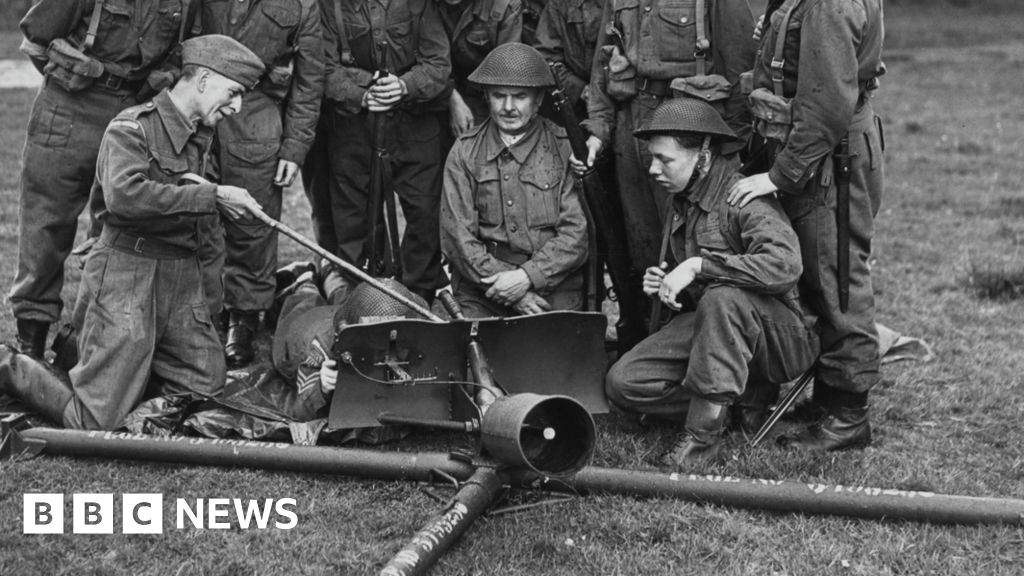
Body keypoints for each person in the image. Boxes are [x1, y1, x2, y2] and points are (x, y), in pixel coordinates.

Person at [0, 36, 266, 431]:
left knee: (206, 386)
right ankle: (10, 365)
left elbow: (200, 226)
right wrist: (212, 195)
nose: (238, 106)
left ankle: (128, 369)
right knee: (95, 419)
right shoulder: (130, 128)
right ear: (205, 80)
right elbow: (126, 197)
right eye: (234, 92)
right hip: (129, 274)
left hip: (178, 278)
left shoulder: (201, 133)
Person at [604, 98, 817, 465]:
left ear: (703, 156)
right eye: (652, 158)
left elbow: (784, 266)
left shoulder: (742, 197)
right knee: (624, 383)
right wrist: (669, 281)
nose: (654, 169)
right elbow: (698, 283)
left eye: (665, 160)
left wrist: (699, 267)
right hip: (718, 327)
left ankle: (702, 440)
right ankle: (738, 402)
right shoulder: (681, 198)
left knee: (724, 297)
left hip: (780, 339)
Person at [726, 0, 885, 451]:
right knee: (820, 276)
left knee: (837, 281)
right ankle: (830, 398)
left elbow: (829, 105)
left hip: (832, 161)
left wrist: (779, 176)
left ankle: (849, 415)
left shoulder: (829, 5)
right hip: (824, 154)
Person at [9, 0, 199, 359]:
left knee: (114, 231)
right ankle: (30, 342)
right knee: (45, 226)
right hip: (67, 107)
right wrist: (73, 79)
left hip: (130, 114)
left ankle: (86, 338)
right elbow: (36, 39)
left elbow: (184, 51)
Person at [574, 0, 755, 276]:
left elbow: (741, 70)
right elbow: (604, 62)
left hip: (691, 131)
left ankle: (701, 317)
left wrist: (726, 148)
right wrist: (598, 131)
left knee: (701, 245)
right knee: (644, 247)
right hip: (632, 126)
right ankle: (653, 316)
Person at [200, 0, 325, 368]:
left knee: (253, 225)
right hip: (196, 109)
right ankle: (199, 313)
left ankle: (244, 317)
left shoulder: (302, 5)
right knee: (191, 213)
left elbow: (310, 79)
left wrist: (294, 147)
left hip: (255, 118)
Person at [440, 43, 588, 318]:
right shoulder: (464, 151)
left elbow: (576, 235)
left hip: (553, 287)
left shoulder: (566, 148)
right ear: (486, 96)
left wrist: (526, 278)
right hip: (484, 289)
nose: (508, 107)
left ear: (538, 100)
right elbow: (458, 240)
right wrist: (510, 287)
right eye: (499, 96)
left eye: (519, 96)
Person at [319, 0, 452, 305]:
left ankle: (418, 302)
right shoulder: (331, 6)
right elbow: (323, 68)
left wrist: (405, 85)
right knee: (355, 220)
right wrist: (361, 94)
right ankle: (365, 301)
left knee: (425, 214)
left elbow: (438, 63)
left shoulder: (421, 4)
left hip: (414, 121)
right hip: (353, 123)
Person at [438, 0, 523, 140]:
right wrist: (452, 97)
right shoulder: (429, 5)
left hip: (491, 94)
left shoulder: (504, 6)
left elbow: (509, 75)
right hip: (443, 89)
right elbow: (431, 58)